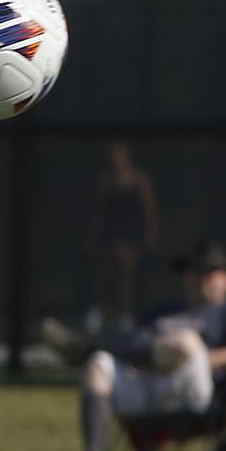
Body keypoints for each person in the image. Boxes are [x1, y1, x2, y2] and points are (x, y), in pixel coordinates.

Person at [43, 240, 226, 451]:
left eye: (210, 272)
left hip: (195, 392)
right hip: (148, 384)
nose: (200, 277)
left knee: (185, 341)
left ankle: (82, 347)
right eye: (195, 270)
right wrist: (155, 359)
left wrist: (192, 356)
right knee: (99, 364)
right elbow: (131, 340)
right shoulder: (164, 310)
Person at [87, 141, 158, 329]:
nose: (116, 158)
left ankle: (125, 316)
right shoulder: (106, 180)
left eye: (120, 153)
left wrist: (150, 235)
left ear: (127, 155)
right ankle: (96, 312)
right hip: (111, 232)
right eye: (113, 154)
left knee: (126, 274)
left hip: (131, 233)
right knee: (104, 272)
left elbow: (148, 209)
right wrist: (94, 235)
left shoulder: (139, 178)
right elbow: (99, 211)